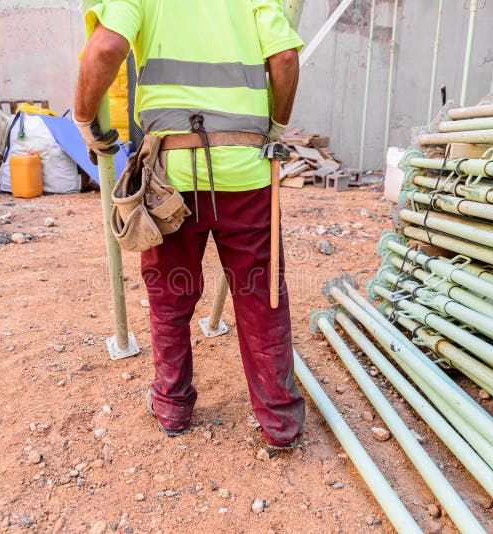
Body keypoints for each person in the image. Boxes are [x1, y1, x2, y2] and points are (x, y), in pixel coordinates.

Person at [73, 0, 305, 449]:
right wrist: (275, 126)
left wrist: (85, 119)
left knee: (169, 293)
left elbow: (104, 50)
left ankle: (173, 405)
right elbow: (285, 58)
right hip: (247, 172)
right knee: (262, 294)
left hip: (171, 176)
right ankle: (280, 422)